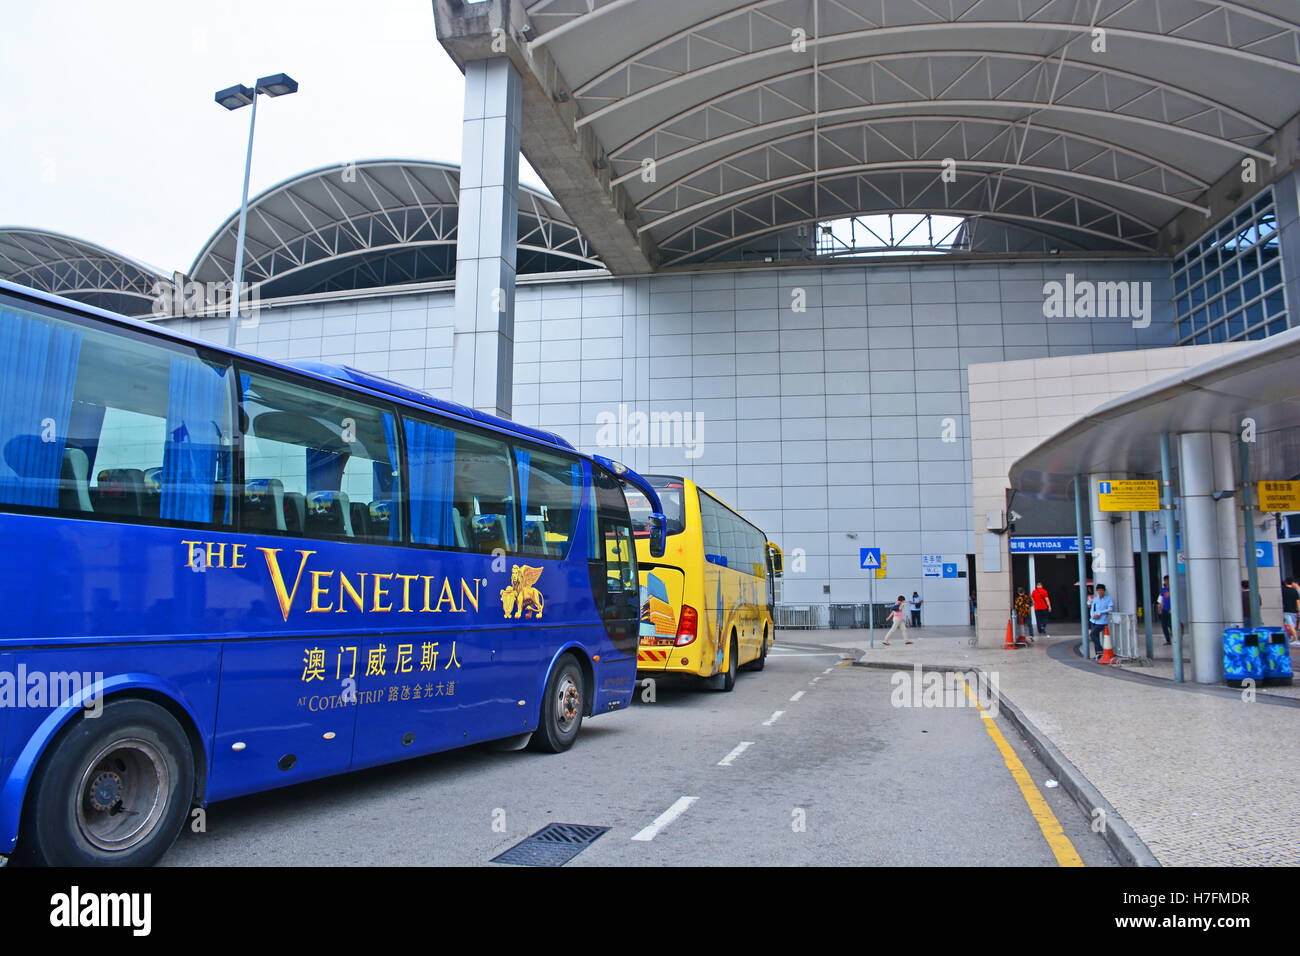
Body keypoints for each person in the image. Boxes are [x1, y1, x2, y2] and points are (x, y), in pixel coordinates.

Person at [1088, 584, 1114, 660]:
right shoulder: (1095, 599)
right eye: (1098, 590)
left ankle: (1101, 651)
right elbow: (1092, 609)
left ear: (1104, 591)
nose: (1100, 592)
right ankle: (1098, 654)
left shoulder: (1108, 599)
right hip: (1094, 620)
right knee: (1095, 637)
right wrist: (1093, 615)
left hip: (1102, 621)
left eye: (1101, 590)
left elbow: (1110, 608)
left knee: (1093, 634)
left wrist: (1100, 613)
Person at [1283, 578, 1300, 646]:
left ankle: (1296, 640)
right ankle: (1290, 638)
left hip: (1287, 610)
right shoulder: (1294, 591)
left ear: (1285, 583)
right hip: (1294, 611)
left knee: (1291, 625)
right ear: (1291, 583)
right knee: (1292, 625)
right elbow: (1298, 601)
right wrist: (1299, 610)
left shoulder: (1283, 590)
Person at [1158, 575, 1172, 645]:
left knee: (1171, 624)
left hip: (1171, 611)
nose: (1166, 582)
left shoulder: (1173, 589)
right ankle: (1168, 640)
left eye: (1167, 580)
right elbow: (1161, 599)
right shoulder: (1163, 590)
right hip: (1164, 609)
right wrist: (1160, 608)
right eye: (1165, 580)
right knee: (1164, 625)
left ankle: (1175, 638)